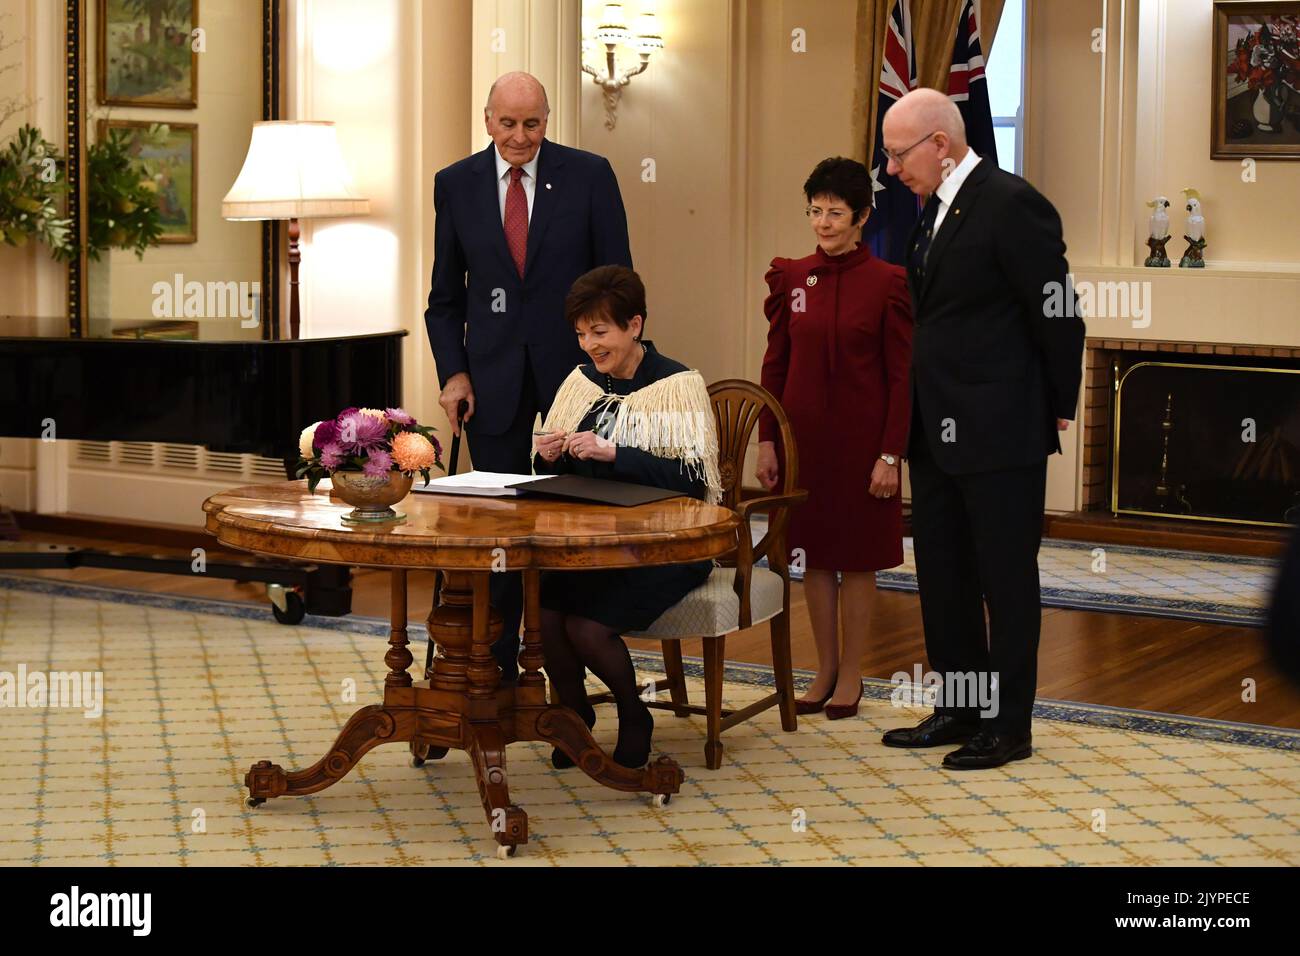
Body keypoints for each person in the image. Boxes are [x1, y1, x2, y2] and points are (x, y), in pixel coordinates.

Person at [878, 87, 1085, 769]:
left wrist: (1057, 401)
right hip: (935, 429)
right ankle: (961, 708)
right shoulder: (931, 211)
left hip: (1001, 428)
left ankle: (1009, 728)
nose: (891, 169)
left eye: (898, 153)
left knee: (1004, 580)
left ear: (941, 144)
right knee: (943, 577)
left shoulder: (1010, 202)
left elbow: (1056, 309)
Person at [424, 72, 633, 681]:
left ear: (549, 119)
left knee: (573, 524)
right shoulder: (455, 184)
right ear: (487, 119)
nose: (520, 137)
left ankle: (570, 687)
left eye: (533, 123)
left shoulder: (590, 175)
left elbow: (617, 281)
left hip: (577, 377)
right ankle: (499, 677)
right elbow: (445, 298)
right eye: (508, 124)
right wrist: (454, 373)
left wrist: (611, 363)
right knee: (499, 531)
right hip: (491, 382)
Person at [533, 265, 722, 769]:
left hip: (667, 548)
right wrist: (550, 454)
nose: (590, 345)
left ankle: (633, 712)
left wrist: (614, 453)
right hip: (593, 545)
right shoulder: (582, 382)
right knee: (546, 613)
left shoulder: (678, 384)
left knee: (587, 626)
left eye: (600, 332)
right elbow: (559, 468)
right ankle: (573, 717)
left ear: (633, 325)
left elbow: (690, 480)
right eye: (580, 334)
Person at [756, 157, 913, 720]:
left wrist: (891, 454)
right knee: (814, 558)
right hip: (804, 445)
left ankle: (853, 673)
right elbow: (775, 363)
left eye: (835, 212)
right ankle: (823, 668)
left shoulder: (890, 283)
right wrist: (767, 440)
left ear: (863, 216)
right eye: (815, 211)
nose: (823, 223)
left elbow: (902, 377)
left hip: (866, 446)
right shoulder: (793, 277)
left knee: (859, 560)